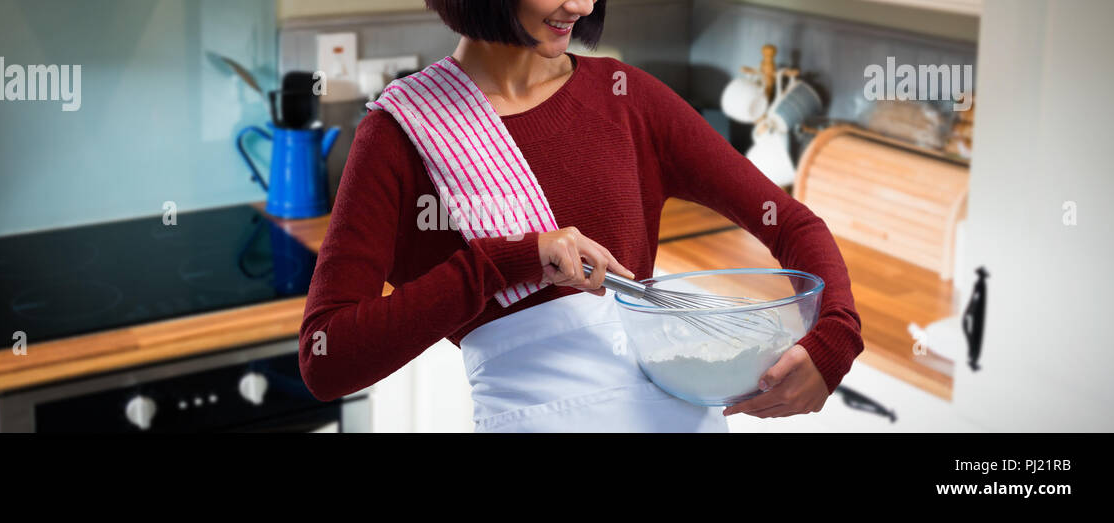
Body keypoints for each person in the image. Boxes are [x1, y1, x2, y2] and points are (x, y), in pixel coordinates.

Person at [298, 0, 863, 432]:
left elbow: (790, 222)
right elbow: (327, 359)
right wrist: (507, 261)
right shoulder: (401, 135)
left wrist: (835, 338)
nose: (583, 6)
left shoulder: (626, 99)